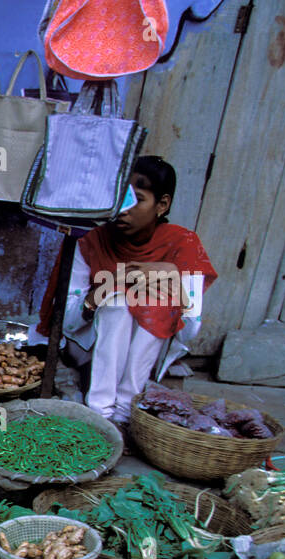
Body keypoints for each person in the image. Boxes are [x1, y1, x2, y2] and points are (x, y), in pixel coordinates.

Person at [33, 155, 218, 439]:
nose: (123, 210)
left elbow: (189, 332)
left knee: (155, 301)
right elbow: (66, 322)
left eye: (137, 199)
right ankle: (99, 413)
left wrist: (173, 277)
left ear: (162, 205)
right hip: (89, 347)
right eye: (120, 197)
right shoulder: (91, 239)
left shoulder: (183, 244)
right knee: (118, 303)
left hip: (148, 351)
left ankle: (125, 412)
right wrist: (99, 295)